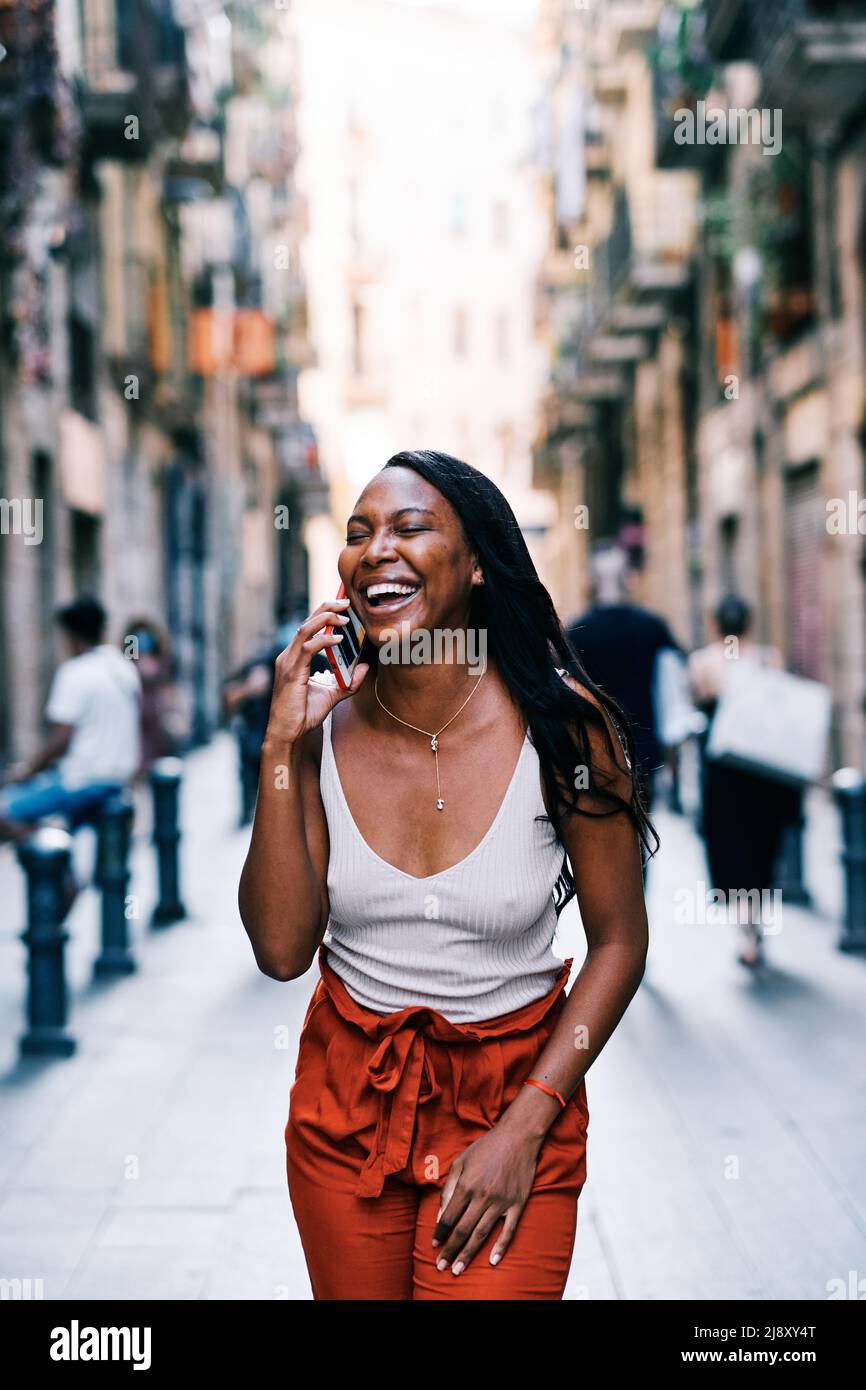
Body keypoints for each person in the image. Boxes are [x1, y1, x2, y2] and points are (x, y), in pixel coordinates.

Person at [239, 449, 653, 1300]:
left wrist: (529, 1120)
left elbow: (619, 941)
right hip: (347, 1109)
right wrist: (282, 746)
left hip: (513, 1095)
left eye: (408, 528)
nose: (373, 549)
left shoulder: (564, 730)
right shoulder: (321, 726)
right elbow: (282, 950)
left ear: (473, 566)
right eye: (357, 535)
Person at [688, 594, 799, 969]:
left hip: (724, 776)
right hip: (763, 775)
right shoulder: (769, 658)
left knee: (731, 849)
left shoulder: (702, 662)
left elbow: (698, 705)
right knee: (762, 848)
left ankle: (747, 930)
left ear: (714, 624)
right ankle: (754, 924)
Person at [566, 545, 681, 872]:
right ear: (629, 580)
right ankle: (637, 892)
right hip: (644, 749)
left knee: (601, 828)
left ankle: (609, 889)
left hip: (594, 749)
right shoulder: (652, 627)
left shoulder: (578, 630)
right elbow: (677, 677)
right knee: (639, 829)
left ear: (591, 581)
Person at [0, 595, 141, 842]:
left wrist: (27, 770)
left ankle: (60, 870)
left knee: (4, 812)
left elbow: (61, 739)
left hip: (83, 780)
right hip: (119, 778)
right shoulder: (124, 666)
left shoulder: (74, 673)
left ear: (71, 635)